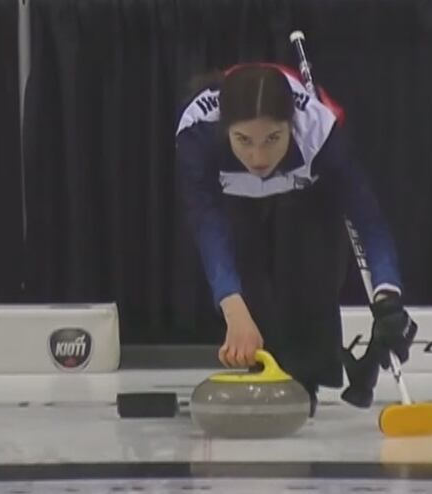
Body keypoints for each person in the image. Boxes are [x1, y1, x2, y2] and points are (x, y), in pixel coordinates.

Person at [175, 63, 416, 415]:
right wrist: (233, 307)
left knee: (308, 270)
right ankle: (262, 367)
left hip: (305, 190)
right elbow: (208, 226)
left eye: (272, 138)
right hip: (233, 197)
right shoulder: (197, 134)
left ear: (292, 125)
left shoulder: (320, 134)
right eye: (244, 140)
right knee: (245, 274)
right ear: (225, 130)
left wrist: (388, 298)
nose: (258, 157)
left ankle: (307, 377)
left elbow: (368, 219)